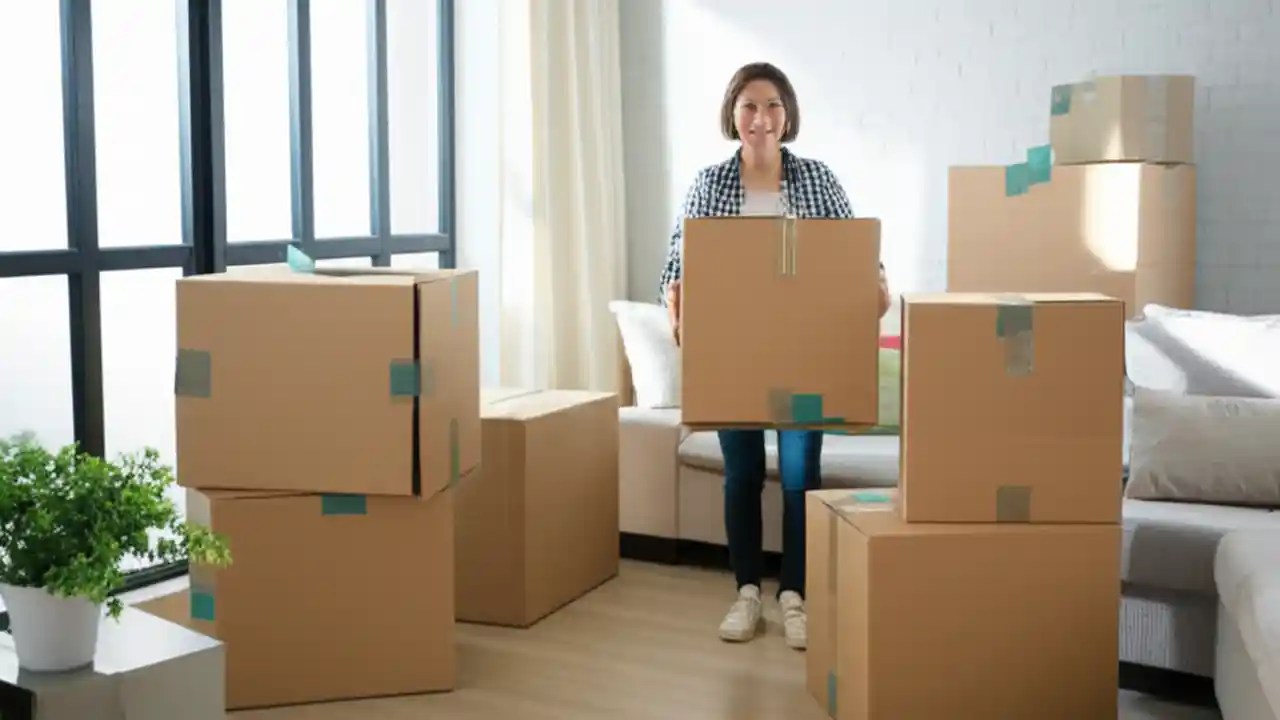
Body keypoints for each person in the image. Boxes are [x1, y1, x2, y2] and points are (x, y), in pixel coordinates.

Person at [658, 62, 891, 650]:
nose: (760, 118)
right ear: (732, 116)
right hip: (734, 355)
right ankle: (746, 593)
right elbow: (676, 269)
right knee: (741, 474)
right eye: (748, 106)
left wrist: (877, 286)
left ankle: (794, 596)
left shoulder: (815, 179)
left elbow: (854, 251)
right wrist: (677, 309)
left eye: (772, 106)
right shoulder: (710, 185)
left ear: (788, 116)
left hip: (803, 354)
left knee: (797, 477)